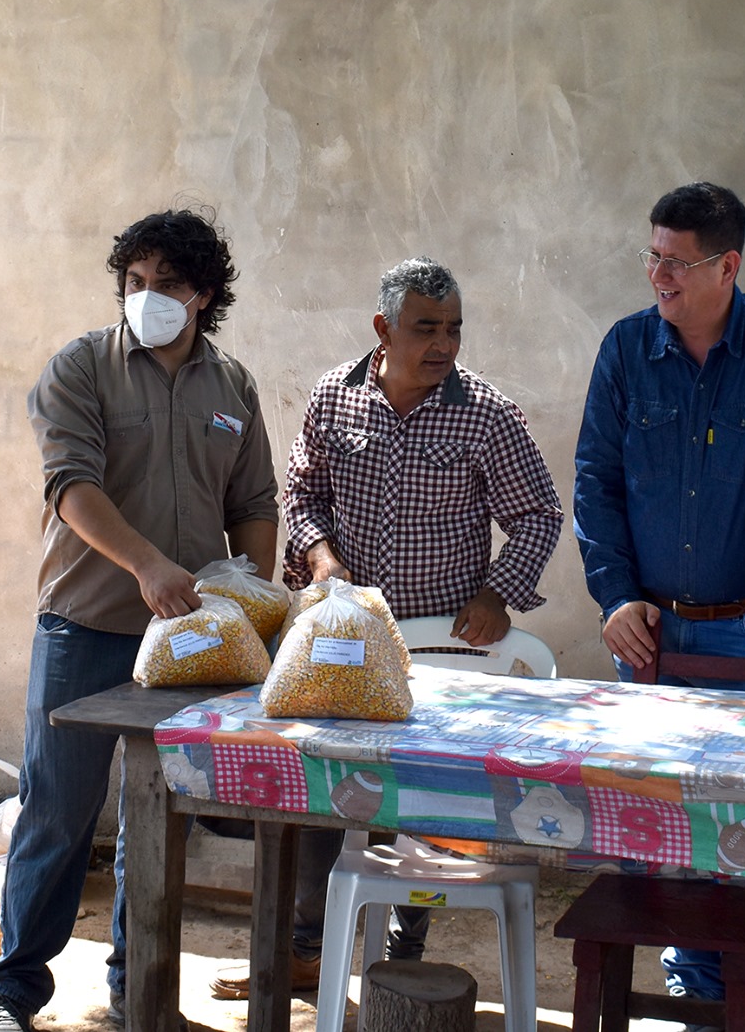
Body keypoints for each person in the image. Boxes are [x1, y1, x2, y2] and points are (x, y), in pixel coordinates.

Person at [208, 256, 563, 1001]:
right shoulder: (335, 398)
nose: (443, 344)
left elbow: (537, 514)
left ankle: (402, 954)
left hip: (441, 654)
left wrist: (498, 592)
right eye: (425, 327)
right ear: (383, 329)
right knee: (317, 790)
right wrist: (321, 559)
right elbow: (301, 496)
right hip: (344, 647)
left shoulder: (486, 413)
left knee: (426, 803)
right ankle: (305, 949)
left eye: (454, 328)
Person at [0, 209, 279, 1032]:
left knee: (158, 818)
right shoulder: (80, 368)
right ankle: (12, 994)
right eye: (135, 281)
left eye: (169, 285)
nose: (148, 297)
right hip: (86, 623)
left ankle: (135, 989)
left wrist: (248, 595)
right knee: (58, 811)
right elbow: (71, 486)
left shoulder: (234, 387)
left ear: (204, 294)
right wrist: (147, 563)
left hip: (189, 640)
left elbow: (253, 502)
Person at [572, 181, 745, 1032]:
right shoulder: (626, 350)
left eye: (676, 262)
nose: (657, 275)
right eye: (651, 255)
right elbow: (595, 483)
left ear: (728, 265)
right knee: (649, 815)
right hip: (649, 628)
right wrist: (614, 593)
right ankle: (689, 989)